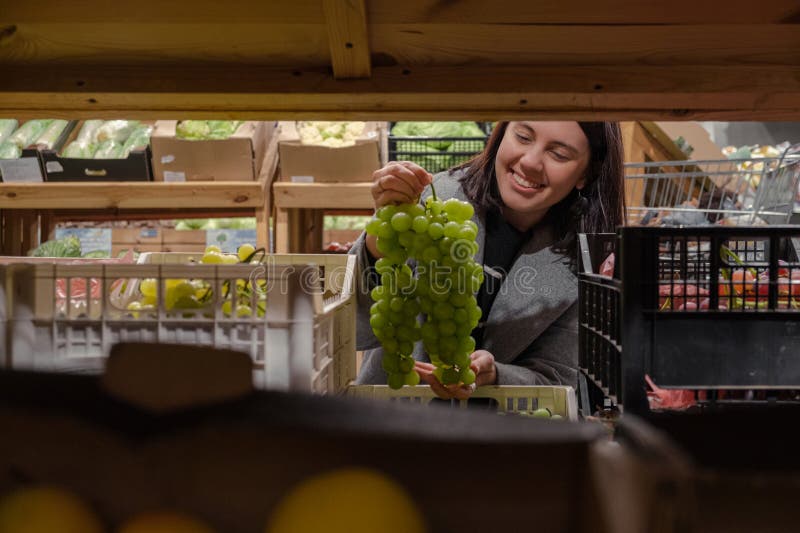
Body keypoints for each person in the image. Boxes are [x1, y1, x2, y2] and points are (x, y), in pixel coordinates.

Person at [350, 121, 625, 399]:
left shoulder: (586, 261)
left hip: (498, 432)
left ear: (587, 173)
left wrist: (496, 375)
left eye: (559, 154)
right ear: (501, 134)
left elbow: (557, 379)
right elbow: (357, 332)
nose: (530, 162)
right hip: (391, 418)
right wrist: (377, 247)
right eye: (523, 136)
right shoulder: (431, 205)